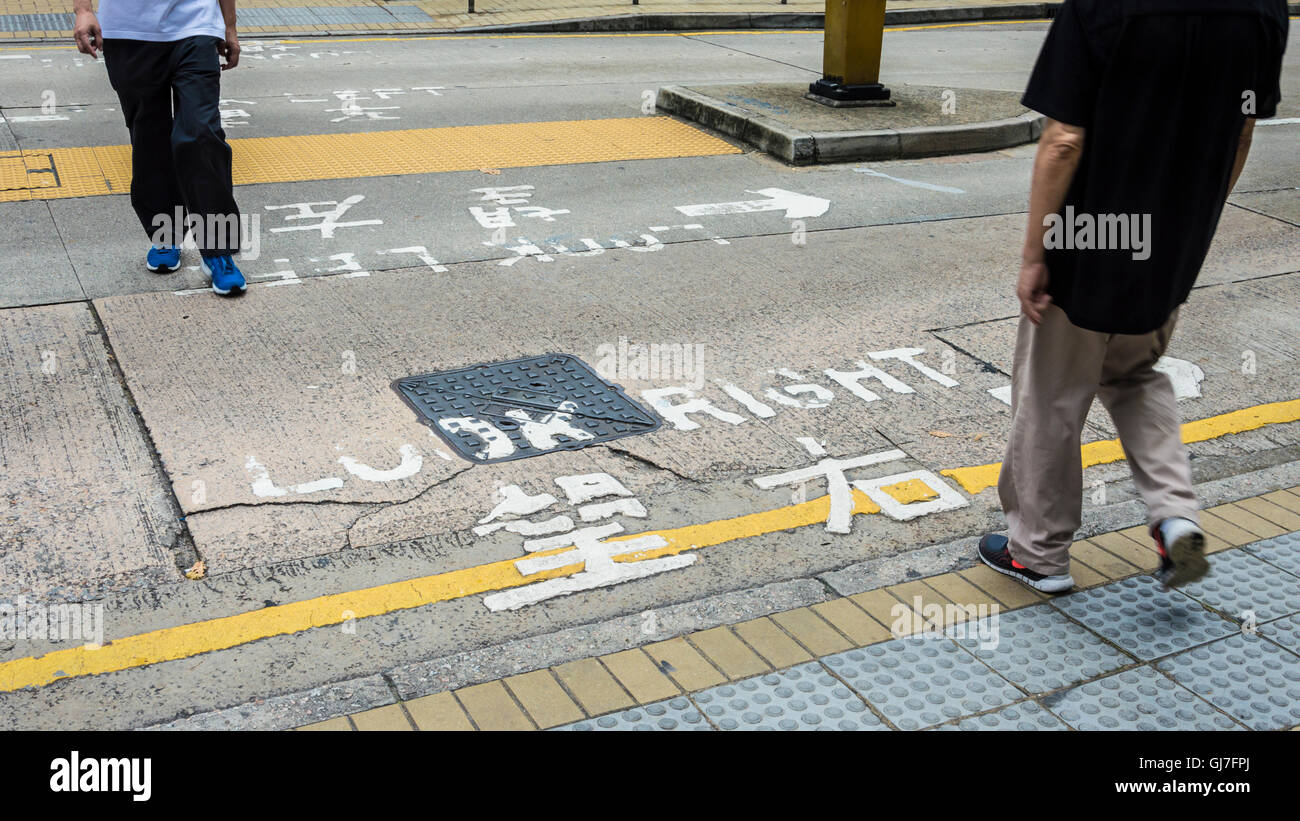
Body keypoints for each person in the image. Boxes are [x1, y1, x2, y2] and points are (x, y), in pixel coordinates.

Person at [979, 0, 1289, 592]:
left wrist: (1035, 255)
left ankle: (1037, 553)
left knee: (1051, 396)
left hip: (1087, 240)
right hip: (1172, 244)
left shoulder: (1101, 6)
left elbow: (1064, 139)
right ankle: (1174, 518)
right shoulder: (1263, 10)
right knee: (1135, 375)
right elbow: (1242, 130)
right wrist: (1192, 227)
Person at [73, 0, 247, 295]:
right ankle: (166, 234)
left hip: (196, 25)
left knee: (201, 135)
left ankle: (218, 251)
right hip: (128, 33)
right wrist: (83, 10)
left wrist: (229, 26)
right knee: (149, 137)